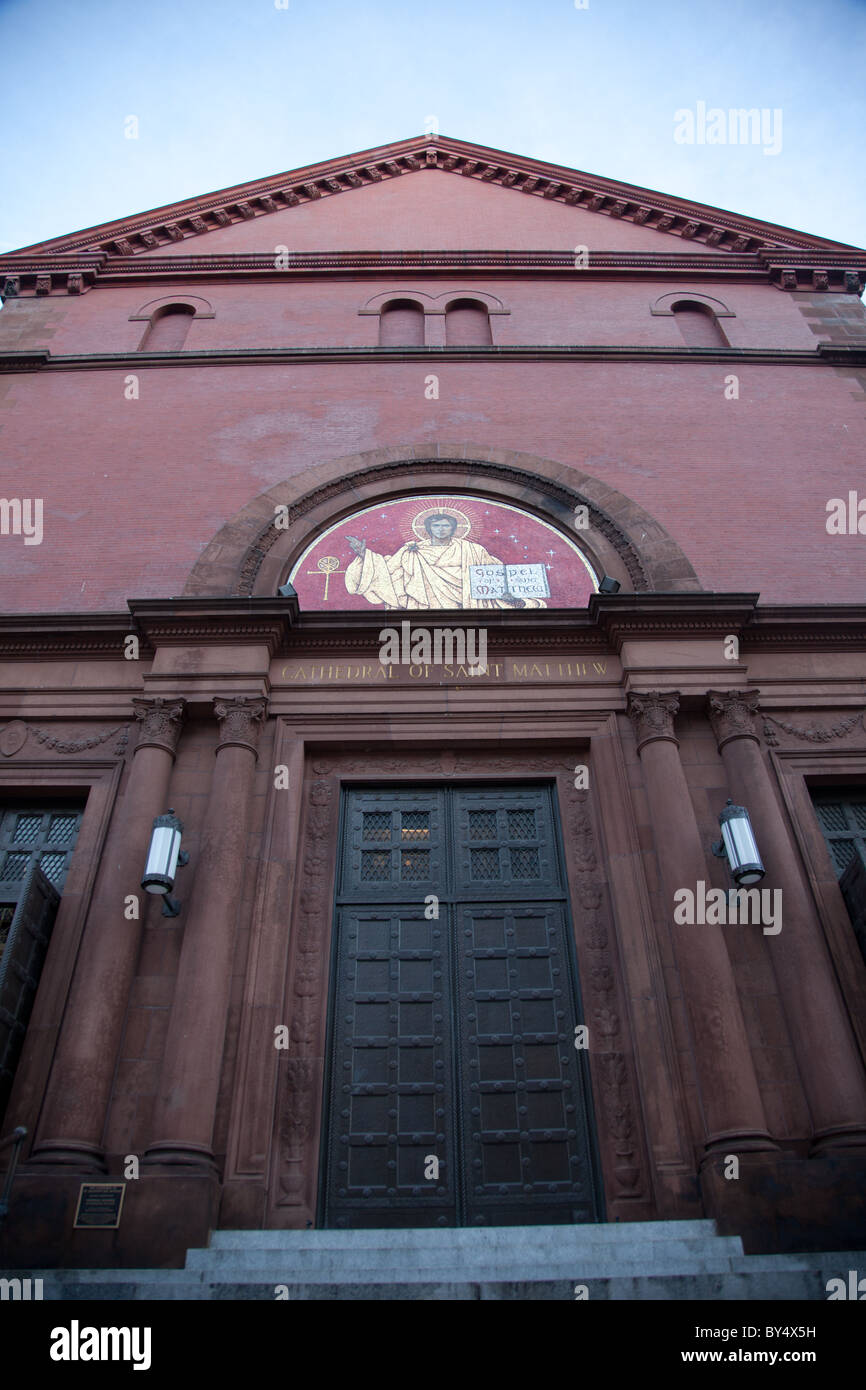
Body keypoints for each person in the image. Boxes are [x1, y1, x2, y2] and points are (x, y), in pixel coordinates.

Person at [344, 512, 545, 609]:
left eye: (446, 526)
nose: (441, 529)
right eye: (437, 525)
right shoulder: (412, 550)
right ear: (429, 529)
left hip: (469, 607)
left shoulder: (472, 549)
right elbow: (386, 573)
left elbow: (495, 574)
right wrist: (364, 556)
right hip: (421, 612)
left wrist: (511, 593)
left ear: (454, 528)